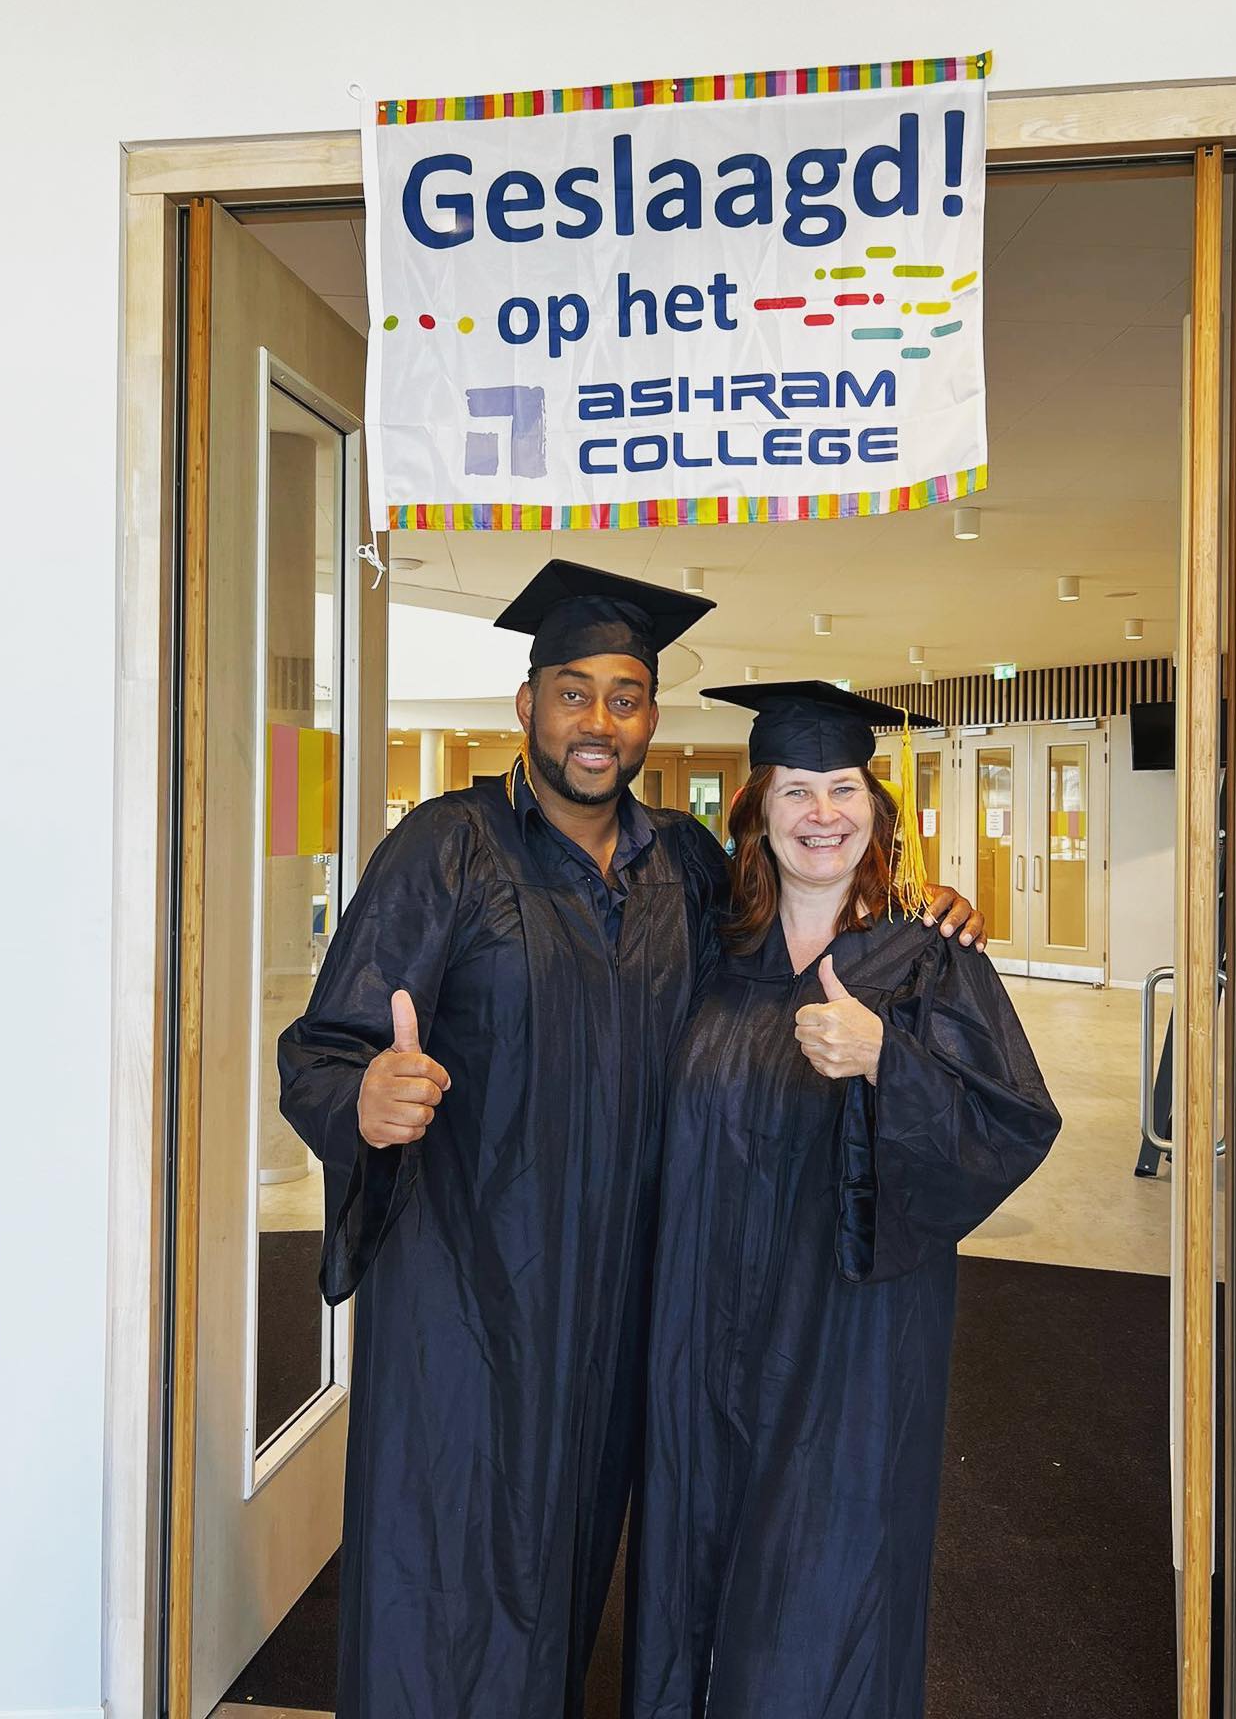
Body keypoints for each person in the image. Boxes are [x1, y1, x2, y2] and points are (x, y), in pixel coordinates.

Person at [278, 569, 987, 1719]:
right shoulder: (445, 850)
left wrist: (916, 911)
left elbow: (782, 951)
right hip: (473, 1299)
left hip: (630, 1306)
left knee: (575, 1578)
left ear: (651, 716)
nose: (597, 724)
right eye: (573, 694)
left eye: (624, 697)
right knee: (451, 1573)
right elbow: (326, 1045)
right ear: (527, 708)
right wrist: (364, 1099)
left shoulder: (689, 867)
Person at [632, 681, 1060, 1719]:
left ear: (874, 811)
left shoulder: (927, 961)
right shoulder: (704, 953)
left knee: (821, 1580)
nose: (822, 813)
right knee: (695, 1556)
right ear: (756, 811)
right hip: (702, 1325)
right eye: (795, 790)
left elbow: (1012, 1124)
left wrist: (888, 1065)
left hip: (848, 1337)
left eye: (842, 789)